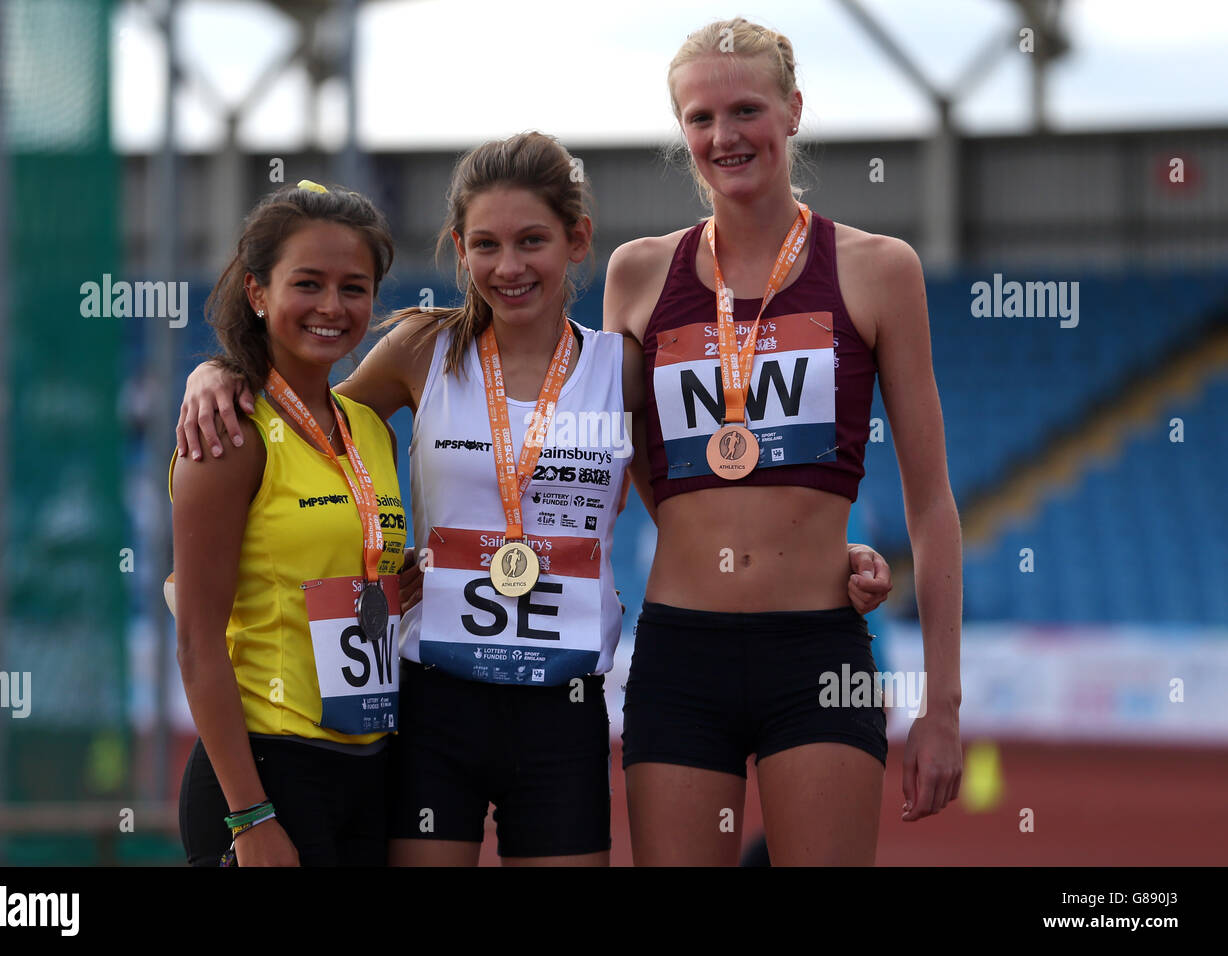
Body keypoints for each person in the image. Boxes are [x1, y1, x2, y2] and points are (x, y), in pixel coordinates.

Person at [175, 134, 896, 865]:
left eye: (532, 241)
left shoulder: (622, 368)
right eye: (485, 244)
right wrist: (218, 372)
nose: (509, 266)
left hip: (565, 708)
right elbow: (307, 426)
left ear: (576, 241)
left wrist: (817, 548)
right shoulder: (418, 353)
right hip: (435, 705)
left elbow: (701, 491)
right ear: (460, 249)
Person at [603, 18, 963, 865]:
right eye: (699, 118)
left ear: (793, 110)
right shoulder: (638, 273)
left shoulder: (880, 269)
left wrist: (941, 704)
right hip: (679, 654)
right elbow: (636, 457)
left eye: (745, 110)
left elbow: (930, 498)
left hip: (817, 655)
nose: (723, 136)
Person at [171, 180, 404, 866]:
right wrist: (249, 817)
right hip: (268, 769)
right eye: (308, 283)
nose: (333, 307)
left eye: (354, 287)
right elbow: (195, 639)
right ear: (258, 293)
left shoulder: (369, 429)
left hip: (369, 764)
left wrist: (402, 578)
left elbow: (351, 569)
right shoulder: (229, 434)